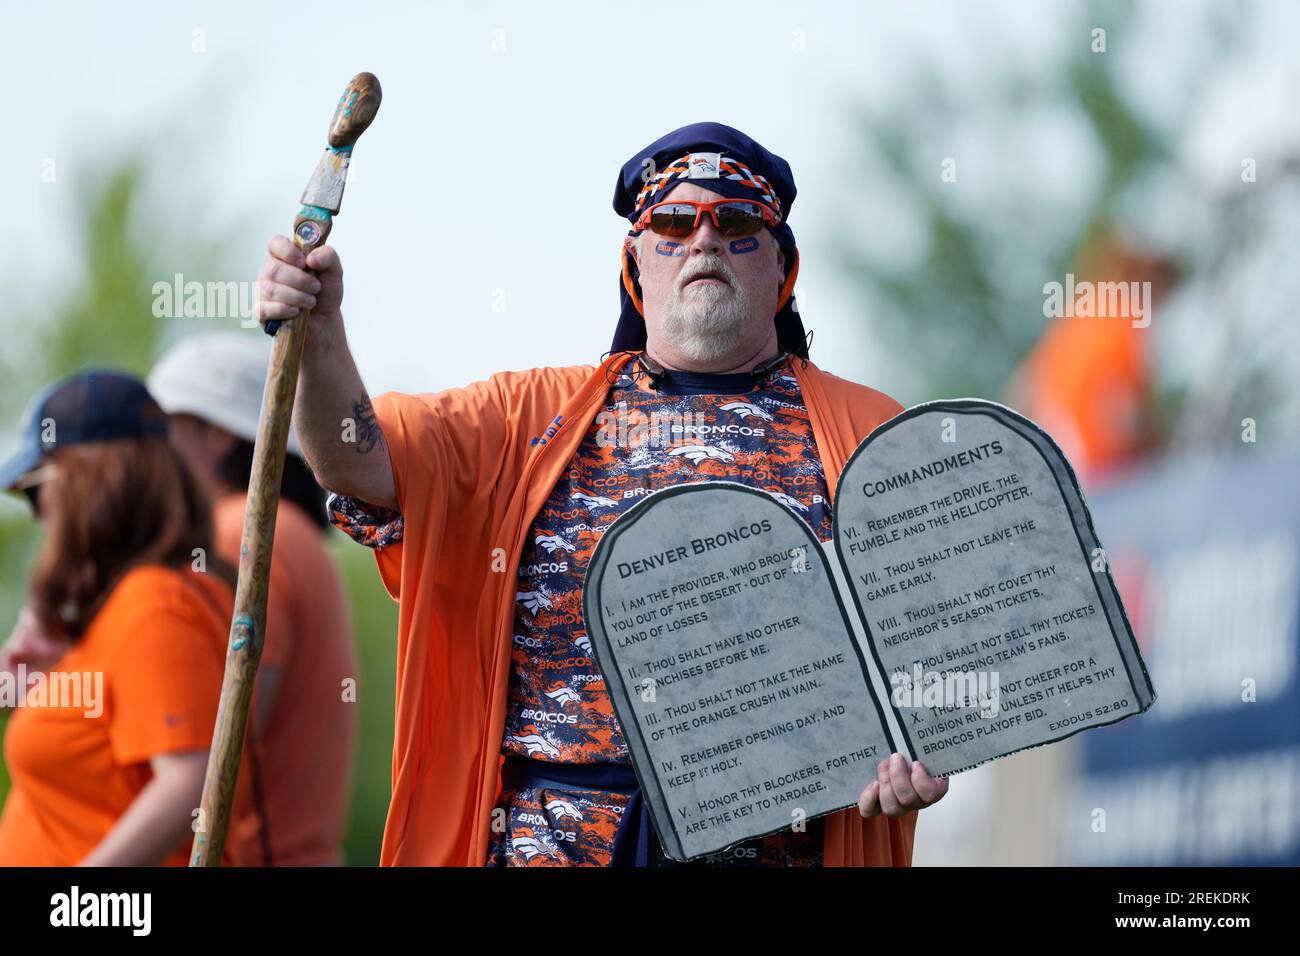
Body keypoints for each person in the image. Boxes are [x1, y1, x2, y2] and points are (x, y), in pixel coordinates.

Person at [254, 122, 949, 866]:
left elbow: (957, 641)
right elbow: (356, 461)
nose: (704, 240)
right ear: (635, 266)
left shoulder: (873, 435)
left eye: (737, 221)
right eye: (675, 224)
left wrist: (928, 736)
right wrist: (319, 331)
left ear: (783, 267)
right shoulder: (525, 421)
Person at [0, 370, 239, 866]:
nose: (36, 515)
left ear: (89, 479)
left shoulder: (154, 603)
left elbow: (191, 780)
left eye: (34, 489)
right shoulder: (128, 606)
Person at [147, 333, 358, 866]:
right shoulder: (298, 539)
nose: (147, 453)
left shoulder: (240, 536)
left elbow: (211, 743)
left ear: (216, 434)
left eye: (159, 429)